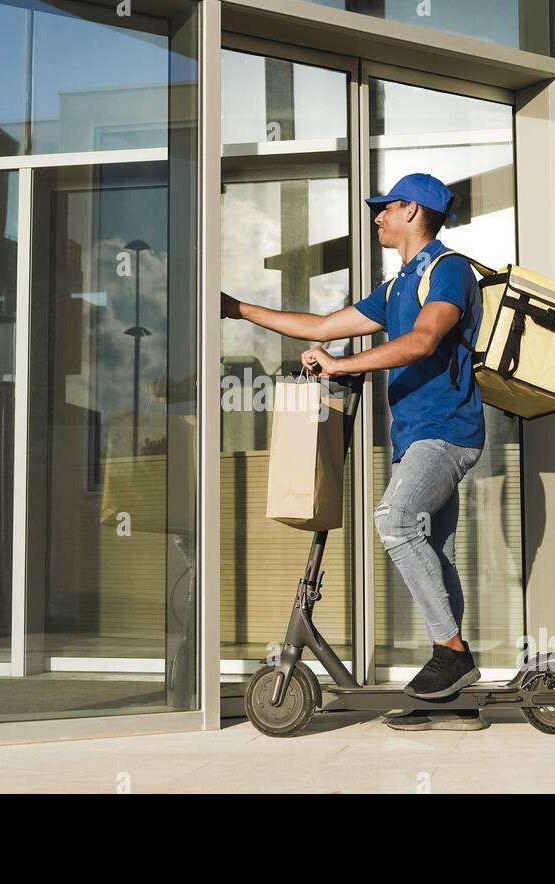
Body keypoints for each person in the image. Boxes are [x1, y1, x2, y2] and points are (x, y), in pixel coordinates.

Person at [221, 172, 488, 732]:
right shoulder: (395, 288)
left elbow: (422, 341)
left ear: (413, 210)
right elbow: (319, 325)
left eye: (384, 209)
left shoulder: (449, 271)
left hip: (446, 432)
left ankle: (452, 654)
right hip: (416, 436)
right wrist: (238, 309)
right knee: (434, 552)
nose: (376, 217)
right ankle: (455, 700)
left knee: (395, 520)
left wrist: (340, 364)